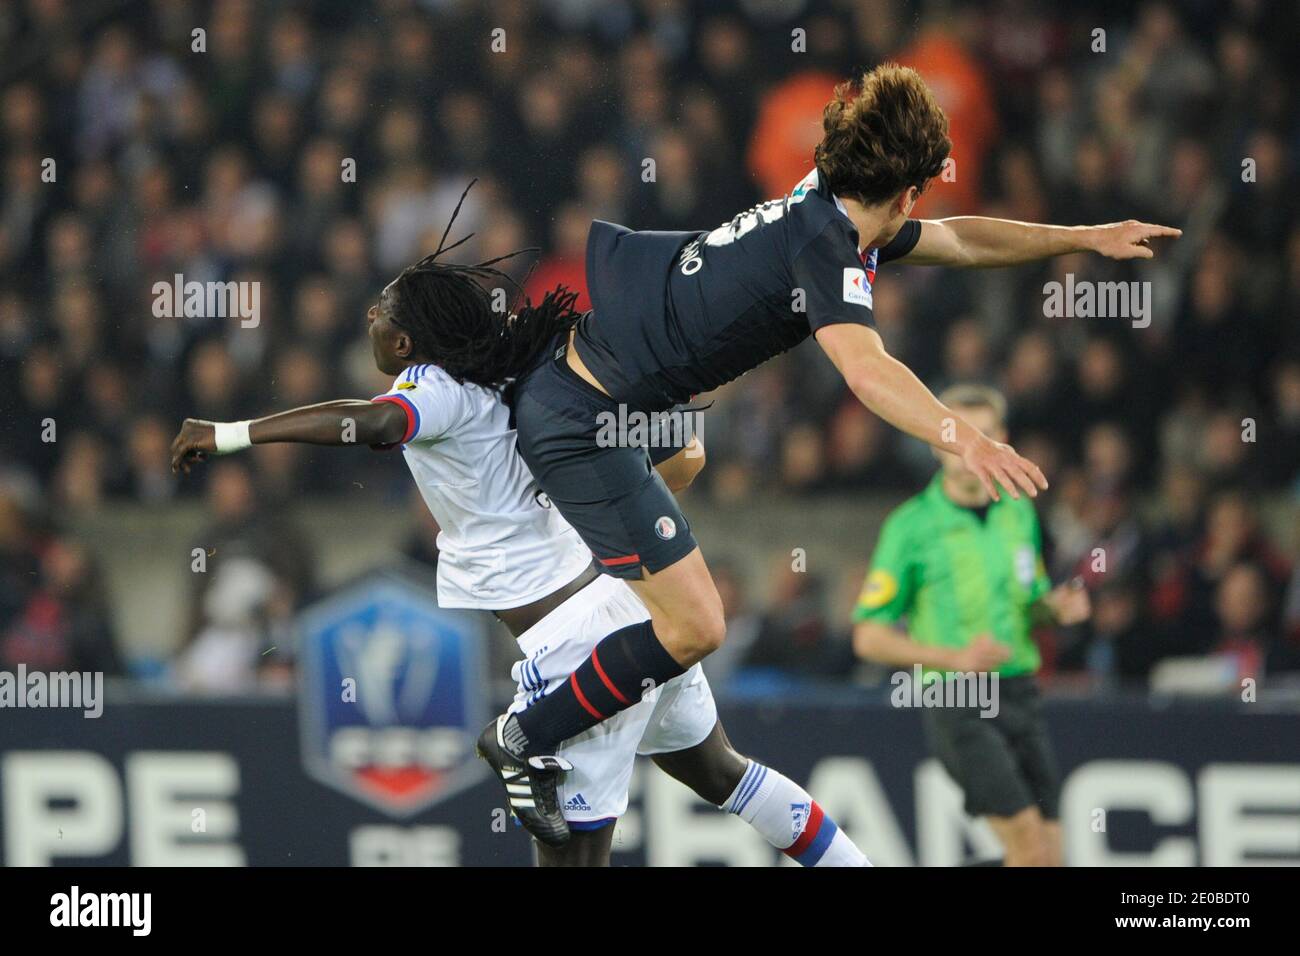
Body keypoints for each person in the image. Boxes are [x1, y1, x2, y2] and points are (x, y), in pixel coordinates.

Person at [448, 64, 1179, 844]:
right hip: (585, 417)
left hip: (613, 399)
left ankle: (591, 620)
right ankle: (527, 732)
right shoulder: (829, 248)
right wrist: (961, 433)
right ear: (907, 192)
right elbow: (866, 370)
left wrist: (1080, 238)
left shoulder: (830, 199)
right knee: (696, 625)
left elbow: (962, 238)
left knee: (688, 459)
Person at [170, 231, 871, 866]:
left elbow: (376, 420)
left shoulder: (434, 390)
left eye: (383, 309)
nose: (370, 318)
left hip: (572, 644)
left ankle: (522, 733)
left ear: (411, 344)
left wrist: (231, 433)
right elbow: (682, 450)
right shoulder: (525, 369)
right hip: (630, 600)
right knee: (723, 773)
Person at [851, 385, 1091, 866]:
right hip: (957, 697)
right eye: (955, 434)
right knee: (1028, 846)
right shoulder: (911, 526)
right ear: (935, 443)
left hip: (1022, 690)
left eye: (982, 433)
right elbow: (868, 637)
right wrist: (952, 657)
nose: (968, 446)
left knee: (1050, 856)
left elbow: (1029, 601)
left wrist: (1053, 610)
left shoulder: (1019, 510)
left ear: (1002, 438)